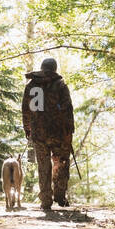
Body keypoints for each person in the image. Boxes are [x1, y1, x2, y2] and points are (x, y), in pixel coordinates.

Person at [22, 56, 75, 210]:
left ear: (42, 67)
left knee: (43, 165)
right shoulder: (60, 85)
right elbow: (67, 109)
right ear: (54, 68)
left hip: (39, 133)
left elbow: (26, 110)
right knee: (61, 163)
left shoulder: (31, 86)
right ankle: (60, 196)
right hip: (58, 133)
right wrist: (69, 130)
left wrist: (27, 128)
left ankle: (45, 200)